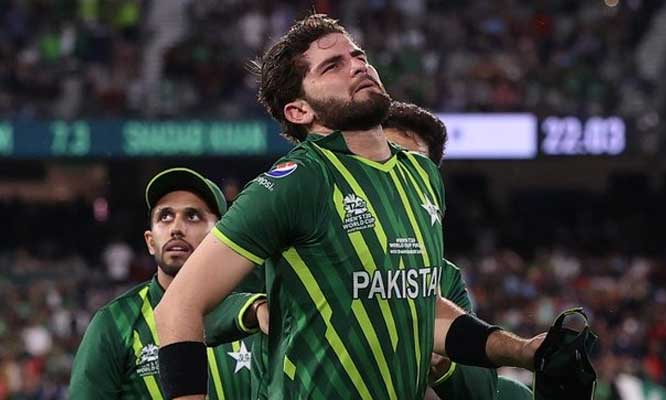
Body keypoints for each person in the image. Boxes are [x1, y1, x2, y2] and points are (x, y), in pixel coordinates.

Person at [155, 14, 545, 400]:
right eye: (333, 66)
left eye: (358, 56)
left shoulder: (421, 174)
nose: (358, 66)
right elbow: (177, 305)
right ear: (299, 111)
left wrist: (523, 351)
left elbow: (420, 308)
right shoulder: (300, 180)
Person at [69, 168, 264, 399]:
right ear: (150, 242)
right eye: (165, 217)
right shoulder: (113, 323)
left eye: (192, 216)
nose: (176, 229)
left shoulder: (257, 314)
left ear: (221, 237)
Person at [383, 101, 534, 400]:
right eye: (384, 160)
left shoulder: (442, 276)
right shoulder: (301, 241)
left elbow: (482, 390)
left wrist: (444, 366)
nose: (396, 177)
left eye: (412, 166)